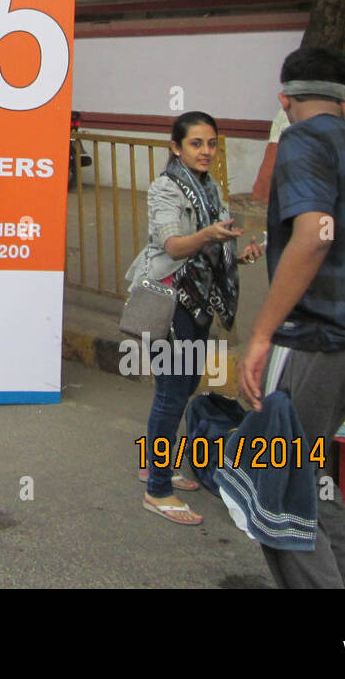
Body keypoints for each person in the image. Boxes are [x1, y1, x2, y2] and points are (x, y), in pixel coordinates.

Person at [238, 46, 345, 589]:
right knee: (308, 480)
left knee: (276, 485)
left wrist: (260, 334)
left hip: (320, 341)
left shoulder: (302, 140)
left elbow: (313, 237)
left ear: (284, 100)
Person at [127, 111, 264, 525]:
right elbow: (173, 243)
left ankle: (156, 466)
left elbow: (211, 250)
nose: (205, 151)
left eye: (211, 144)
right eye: (195, 144)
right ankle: (158, 491)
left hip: (200, 300)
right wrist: (210, 235)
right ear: (176, 147)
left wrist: (238, 254)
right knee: (172, 390)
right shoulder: (166, 188)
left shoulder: (210, 188)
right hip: (172, 302)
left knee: (183, 385)